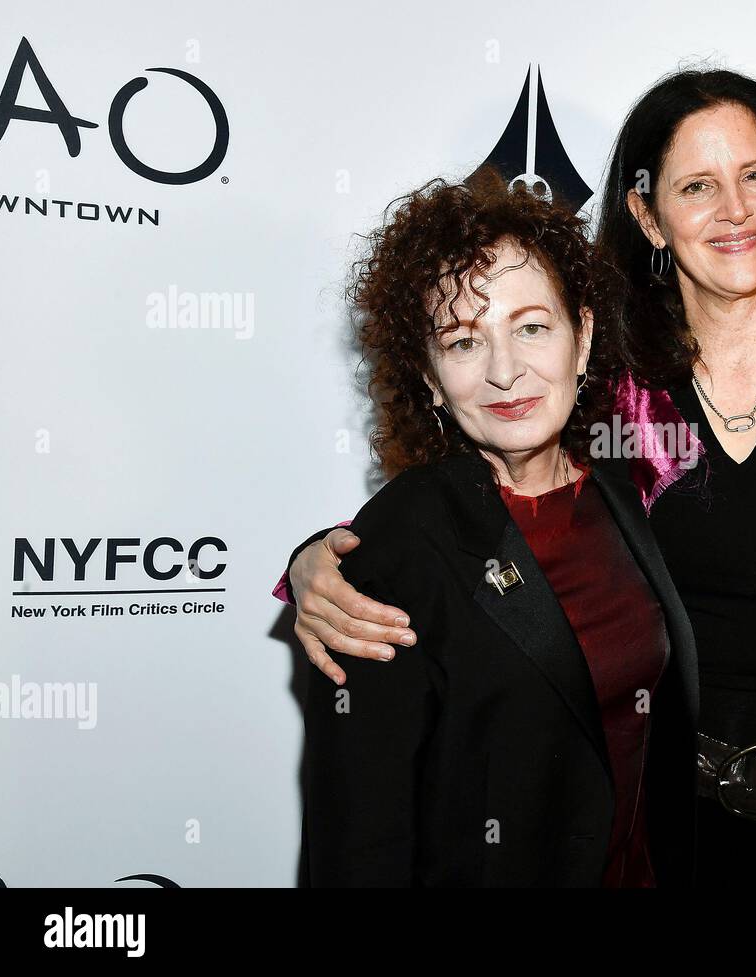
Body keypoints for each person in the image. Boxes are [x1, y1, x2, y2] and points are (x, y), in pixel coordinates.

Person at [282, 68, 756, 888]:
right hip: (650, 834)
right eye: (697, 186)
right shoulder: (604, 378)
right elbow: (472, 504)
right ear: (648, 213)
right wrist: (314, 563)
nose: (735, 210)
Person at [299, 170, 698, 887]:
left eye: (532, 327)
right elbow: (361, 843)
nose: (505, 372)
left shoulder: (620, 492)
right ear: (428, 375)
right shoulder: (394, 547)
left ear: (582, 339)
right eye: (462, 342)